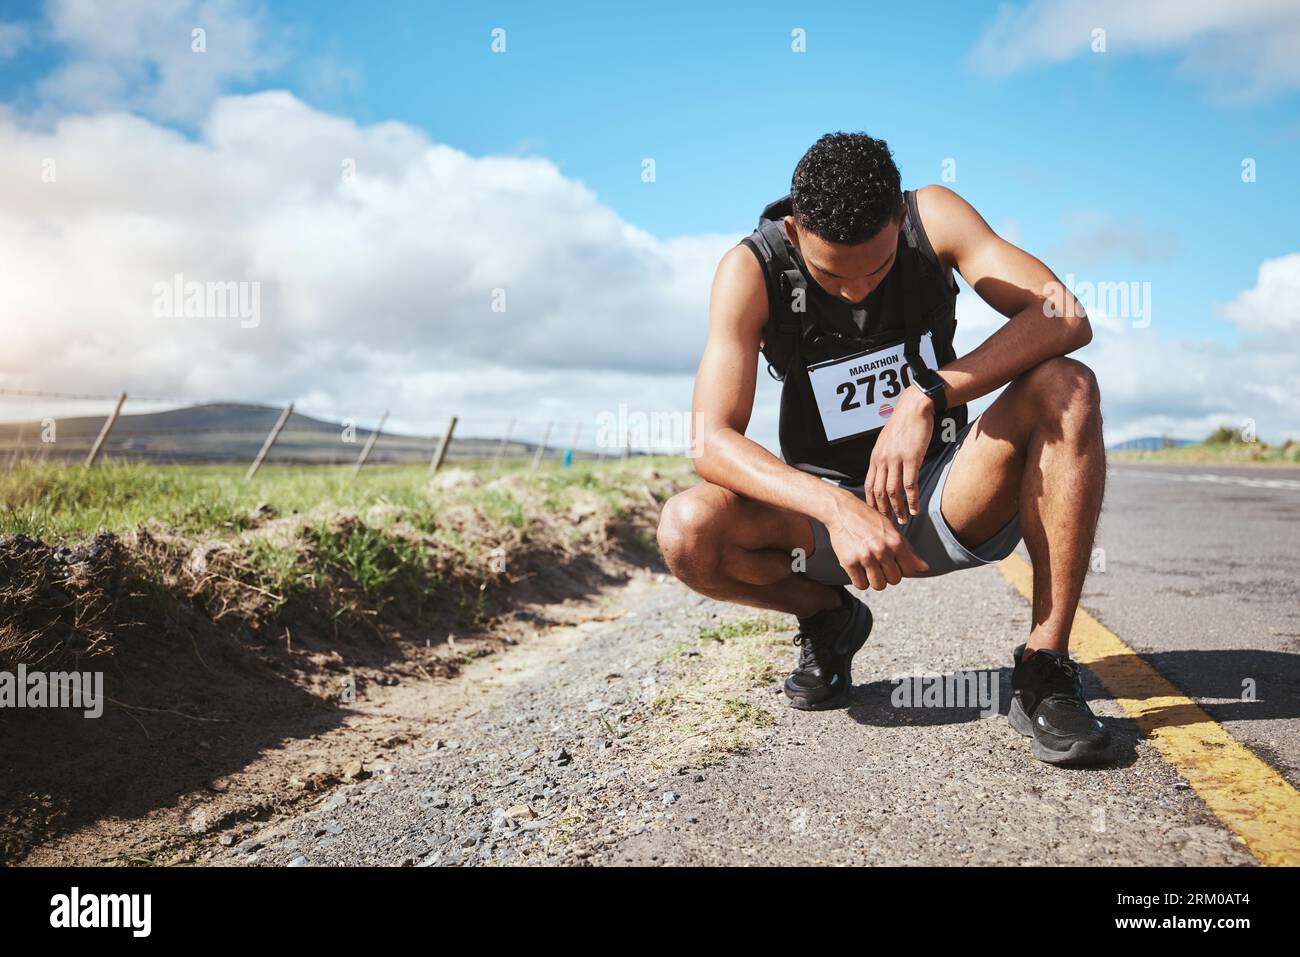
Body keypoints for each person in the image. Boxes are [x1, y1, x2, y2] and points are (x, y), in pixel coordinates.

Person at [656, 132, 1110, 765]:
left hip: (950, 489)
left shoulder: (934, 217)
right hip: (824, 524)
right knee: (687, 529)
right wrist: (836, 509)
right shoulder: (750, 270)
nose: (856, 292)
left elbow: (1064, 315)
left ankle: (1045, 666)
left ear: (900, 216)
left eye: (876, 269)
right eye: (832, 275)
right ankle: (827, 618)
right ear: (794, 234)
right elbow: (711, 441)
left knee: (1069, 385)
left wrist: (927, 395)